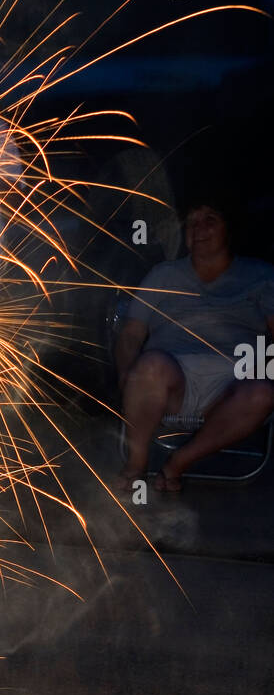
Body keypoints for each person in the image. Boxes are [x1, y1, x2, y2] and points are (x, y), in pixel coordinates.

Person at [115, 199, 274, 491]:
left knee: (263, 392)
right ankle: (136, 464)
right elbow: (131, 333)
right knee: (149, 366)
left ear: (229, 230)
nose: (199, 228)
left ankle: (178, 462)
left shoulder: (261, 276)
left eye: (210, 219)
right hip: (174, 379)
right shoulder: (164, 274)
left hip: (235, 384)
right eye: (192, 222)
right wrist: (126, 372)